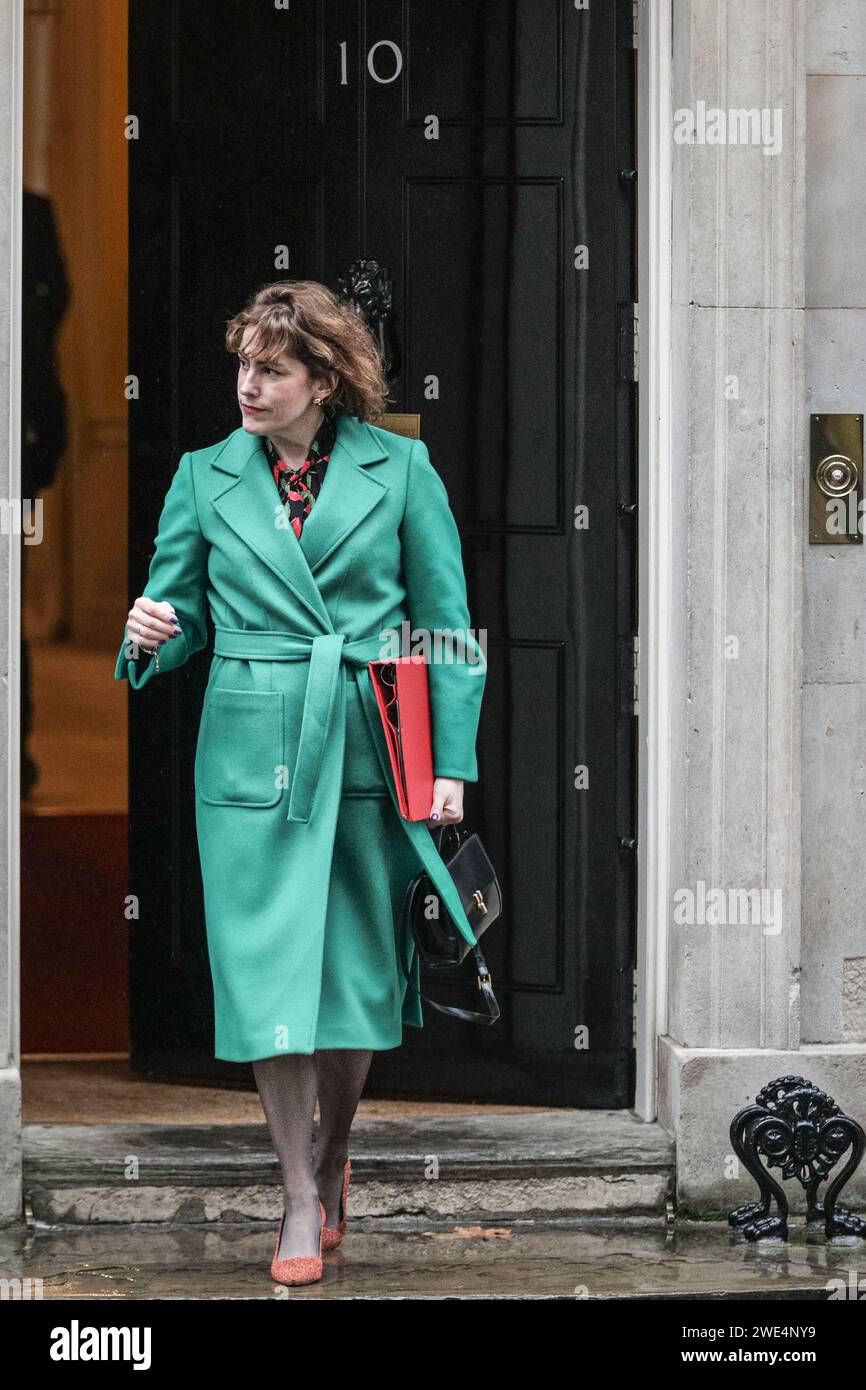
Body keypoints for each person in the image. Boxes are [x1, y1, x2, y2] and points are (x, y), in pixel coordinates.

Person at [114, 279, 486, 1285]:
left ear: (322, 377)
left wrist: (447, 764)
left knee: (353, 981)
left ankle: (332, 1149)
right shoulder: (203, 477)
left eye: (271, 367)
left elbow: (444, 628)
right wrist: (149, 632)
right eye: (243, 364)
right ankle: (294, 1192)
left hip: (366, 741)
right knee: (270, 976)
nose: (249, 384)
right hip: (248, 754)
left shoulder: (400, 470)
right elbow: (175, 613)